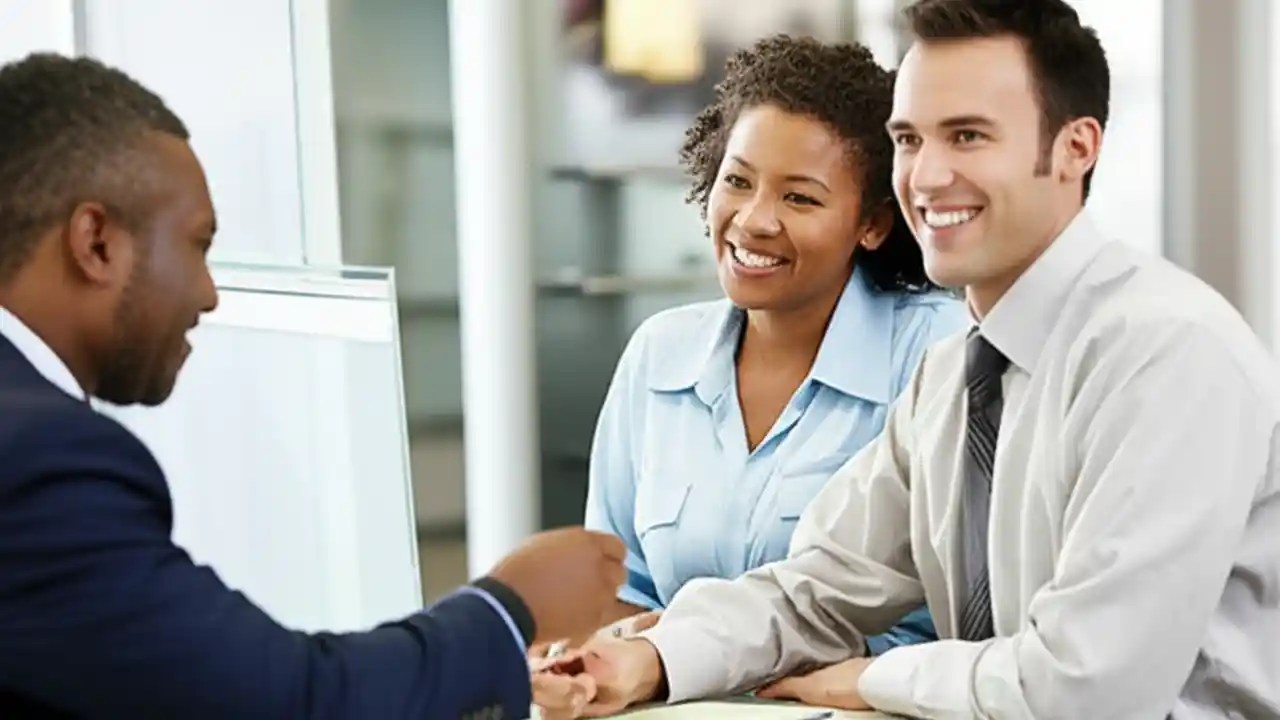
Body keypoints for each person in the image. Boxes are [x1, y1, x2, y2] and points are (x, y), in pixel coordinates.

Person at [535, 1, 1280, 718]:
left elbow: (1087, 691)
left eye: (967, 136)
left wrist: (876, 679)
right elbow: (817, 588)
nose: (924, 176)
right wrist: (649, 660)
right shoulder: (957, 374)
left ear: (1075, 147)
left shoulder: (1169, 357)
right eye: (910, 139)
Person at [0, 52, 627, 720]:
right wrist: (512, 605)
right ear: (96, 243)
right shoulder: (42, 459)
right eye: (197, 245)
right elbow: (293, 702)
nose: (209, 295)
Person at [567, 34, 966, 650]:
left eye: (799, 197)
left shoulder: (938, 352)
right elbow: (621, 586)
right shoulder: (659, 353)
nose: (754, 219)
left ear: (873, 224)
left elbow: (960, 620)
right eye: (739, 181)